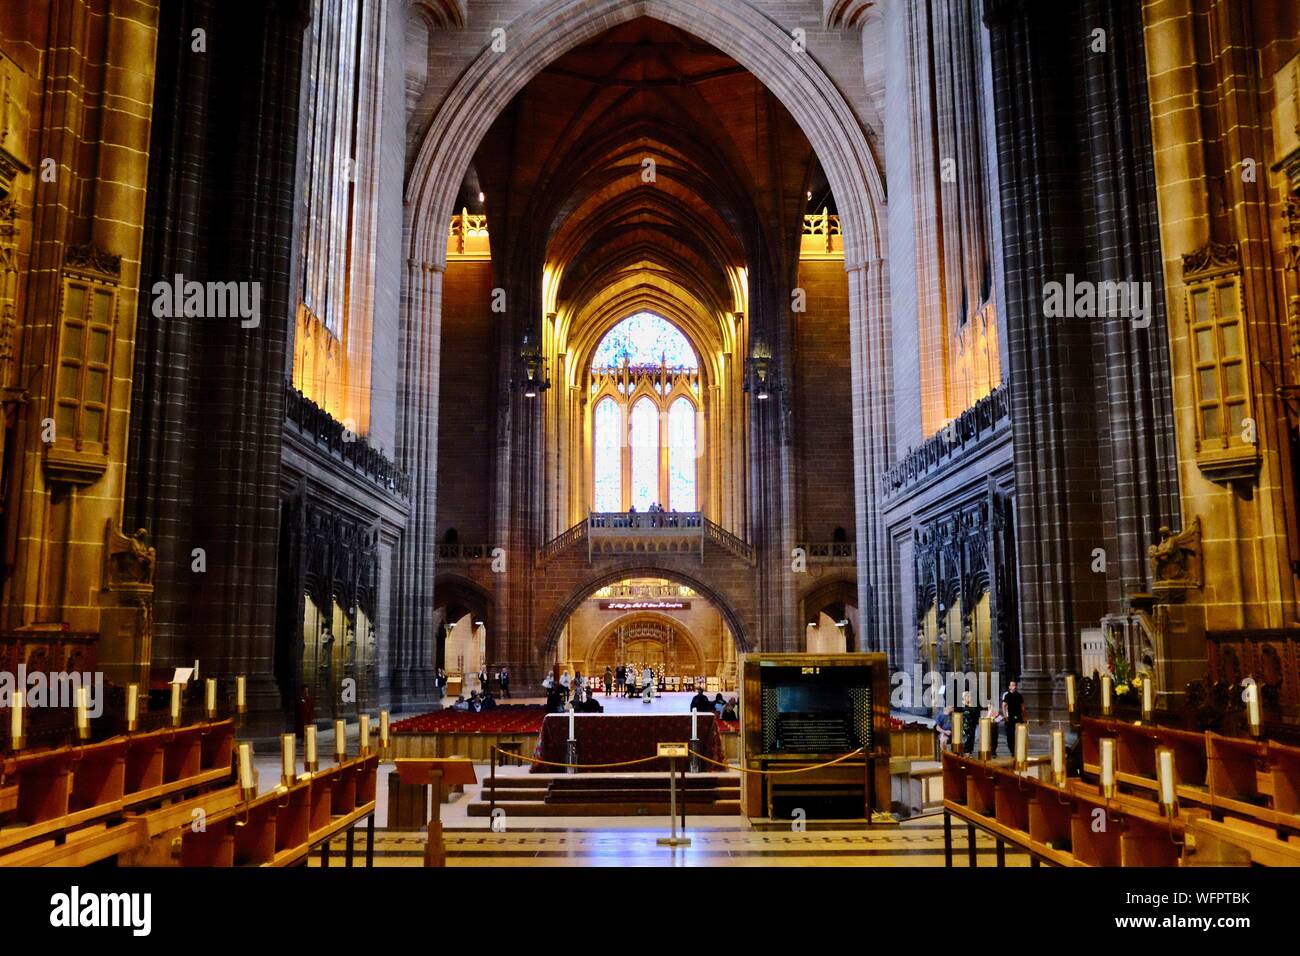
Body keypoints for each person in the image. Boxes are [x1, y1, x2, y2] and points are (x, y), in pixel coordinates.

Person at [1002, 679, 1026, 755]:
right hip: (1010, 717)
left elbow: (1022, 706)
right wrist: (1005, 716)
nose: (1014, 686)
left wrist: (1024, 716)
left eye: (1015, 685)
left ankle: (1018, 749)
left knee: (1019, 734)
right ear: (1009, 687)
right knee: (1010, 734)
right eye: (1012, 685)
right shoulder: (1007, 695)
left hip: (1018, 716)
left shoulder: (1019, 695)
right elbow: (1004, 706)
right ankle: (1012, 750)